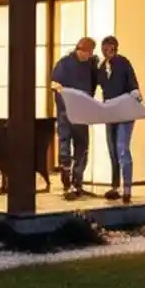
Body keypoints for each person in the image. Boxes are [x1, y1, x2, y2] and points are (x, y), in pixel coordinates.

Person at [50, 37, 99, 200]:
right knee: (65, 147)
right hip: (65, 113)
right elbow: (55, 85)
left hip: (82, 113)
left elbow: (93, 86)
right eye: (88, 53)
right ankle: (66, 184)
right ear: (81, 50)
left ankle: (77, 182)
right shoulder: (64, 64)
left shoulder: (89, 66)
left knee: (82, 147)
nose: (89, 56)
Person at [98, 35, 140, 203]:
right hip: (110, 111)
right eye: (104, 49)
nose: (107, 52)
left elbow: (132, 82)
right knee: (112, 149)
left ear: (116, 49)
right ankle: (115, 185)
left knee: (122, 147)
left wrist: (135, 92)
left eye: (110, 49)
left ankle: (127, 187)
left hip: (125, 110)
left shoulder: (123, 63)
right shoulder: (101, 68)